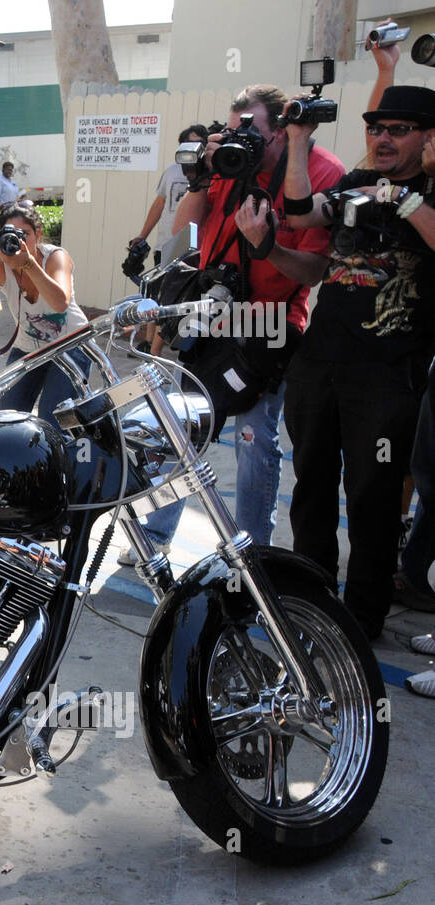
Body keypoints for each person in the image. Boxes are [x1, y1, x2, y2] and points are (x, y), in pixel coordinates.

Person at [121, 85, 344, 566]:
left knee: (254, 438)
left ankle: (251, 553)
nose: (242, 140)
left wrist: (268, 246)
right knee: (186, 426)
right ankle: (158, 533)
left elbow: (314, 269)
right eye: (234, 128)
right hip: (212, 309)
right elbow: (185, 234)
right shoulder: (227, 163)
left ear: (283, 130)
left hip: (272, 319)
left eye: (252, 131)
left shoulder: (320, 173)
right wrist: (201, 175)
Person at [281, 85, 435, 641]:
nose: (384, 138)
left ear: (428, 137)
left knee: (372, 498)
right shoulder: (355, 183)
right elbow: (300, 213)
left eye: (399, 129)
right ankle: (312, 598)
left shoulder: (431, 191)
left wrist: (410, 202)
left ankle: (363, 617)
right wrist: (298, 140)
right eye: (377, 128)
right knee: (311, 485)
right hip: (322, 361)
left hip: (389, 371)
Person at [0, 203, 89, 427]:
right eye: (9, 235)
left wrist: (29, 264)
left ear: (38, 235)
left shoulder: (56, 258)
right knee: (7, 420)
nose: (18, 243)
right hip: (28, 349)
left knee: (52, 419)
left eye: (24, 235)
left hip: (71, 345)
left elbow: (60, 303)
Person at [129, 124, 210, 266]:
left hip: (196, 249)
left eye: (199, 143)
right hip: (166, 246)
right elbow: (160, 203)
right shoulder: (171, 170)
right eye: (188, 144)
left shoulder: (211, 173)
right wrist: (143, 235)